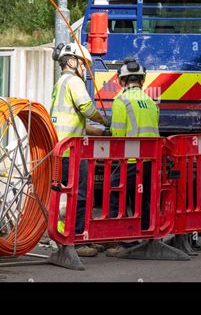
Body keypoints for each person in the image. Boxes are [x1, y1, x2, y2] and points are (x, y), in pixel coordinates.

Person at [50, 43, 110, 257]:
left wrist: (99, 133)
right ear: (73, 61)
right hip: (72, 152)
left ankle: (64, 235)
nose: (85, 69)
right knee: (81, 193)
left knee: (59, 193)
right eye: (83, 64)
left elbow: (77, 122)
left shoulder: (60, 83)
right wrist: (103, 119)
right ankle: (75, 239)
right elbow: (86, 108)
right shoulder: (74, 81)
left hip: (60, 148)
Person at [106, 58, 160, 256]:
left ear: (122, 81)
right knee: (145, 198)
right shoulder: (150, 102)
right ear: (142, 81)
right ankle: (146, 234)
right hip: (151, 161)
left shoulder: (121, 101)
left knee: (115, 191)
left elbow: (118, 135)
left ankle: (116, 237)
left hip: (130, 160)